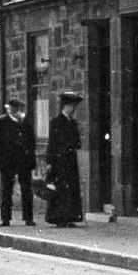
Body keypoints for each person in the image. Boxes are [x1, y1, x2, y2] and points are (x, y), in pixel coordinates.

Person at [0, 98, 36, 227]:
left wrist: (30, 159)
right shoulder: (1, 121)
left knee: (26, 189)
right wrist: (3, 155)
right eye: (15, 110)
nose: (18, 112)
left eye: (19, 110)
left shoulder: (25, 121)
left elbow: (31, 141)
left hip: (24, 161)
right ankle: (5, 218)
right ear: (10, 110)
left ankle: (28, 218)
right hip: (8, 161)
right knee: (7, 190)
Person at [45, 91, 85, 227]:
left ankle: (70, 217)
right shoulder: (56, 122)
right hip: (59, 160)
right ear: (65, 106)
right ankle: (59, 218)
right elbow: (52, 143)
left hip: (70, 160)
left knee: (71, 188)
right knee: (61, 189)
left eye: (73, 106)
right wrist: (49, 161)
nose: (72, 109)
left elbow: (77, 142)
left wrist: (74, 144)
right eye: (71, 106)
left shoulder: (72, 122)